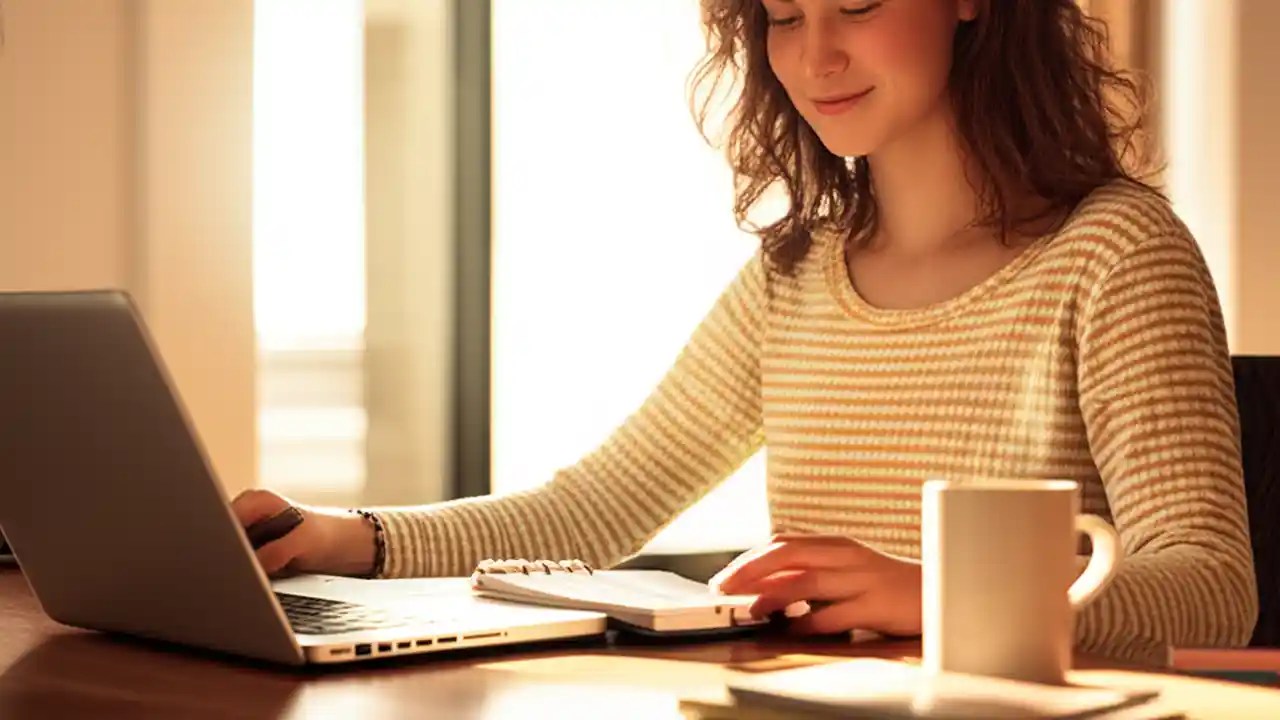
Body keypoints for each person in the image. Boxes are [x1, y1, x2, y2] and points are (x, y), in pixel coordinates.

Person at [232, 0, 1258, 663]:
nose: (814, 56)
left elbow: (1211, 590)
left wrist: (942, 594)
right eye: (779, 14)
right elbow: (598, 506)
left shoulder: (1116, 253)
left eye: (855, 2)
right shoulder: (798, 273)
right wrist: (347, 541)